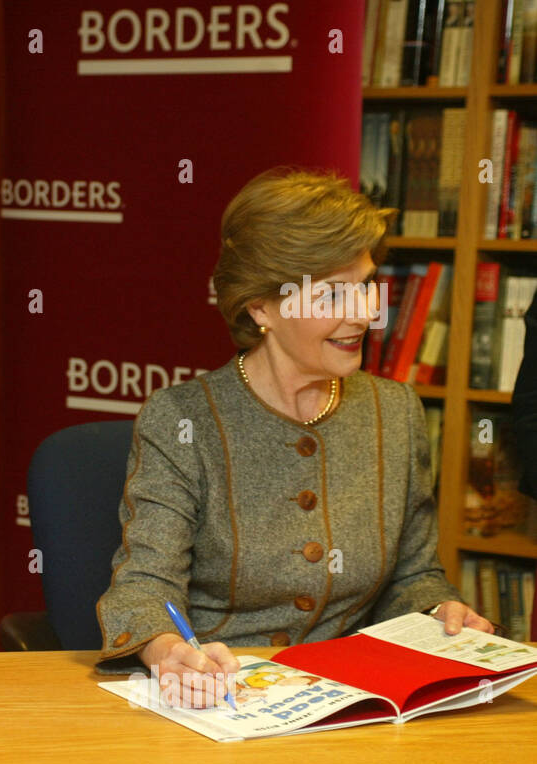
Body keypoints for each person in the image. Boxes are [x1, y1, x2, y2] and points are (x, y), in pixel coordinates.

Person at [95, 168, 492, 707]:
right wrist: (166, 648)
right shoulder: (182, 420)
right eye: (332, 294)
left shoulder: (393, 413)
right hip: (220, 701)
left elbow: (413, 576)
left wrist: (439, 609)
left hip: (355, 703)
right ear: (260, 307)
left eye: (367, 285)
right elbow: (144, 586)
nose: (366, 313)